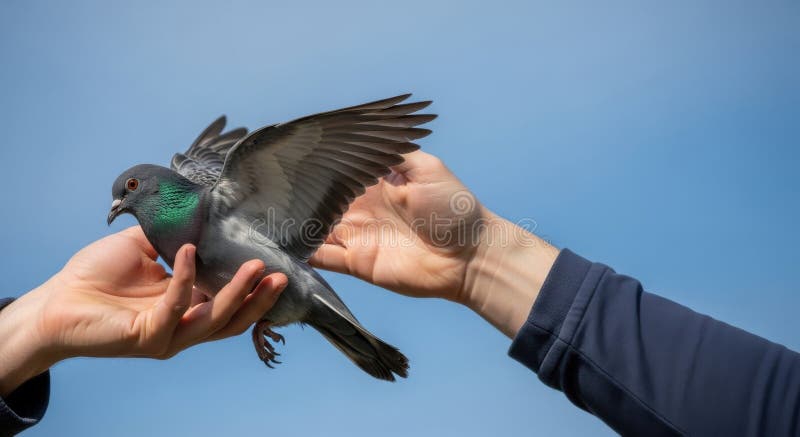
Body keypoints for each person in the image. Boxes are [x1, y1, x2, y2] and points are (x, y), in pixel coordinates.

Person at [1, 151, 798, 436]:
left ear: (159, 186)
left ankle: (345, 335)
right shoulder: (169, 218)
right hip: (275, 290)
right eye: (124, 194)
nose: (123, 202)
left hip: (294, 279)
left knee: (282, 286)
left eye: (132, 189)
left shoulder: (208, 198)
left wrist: (479, 257)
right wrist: (36, 322)